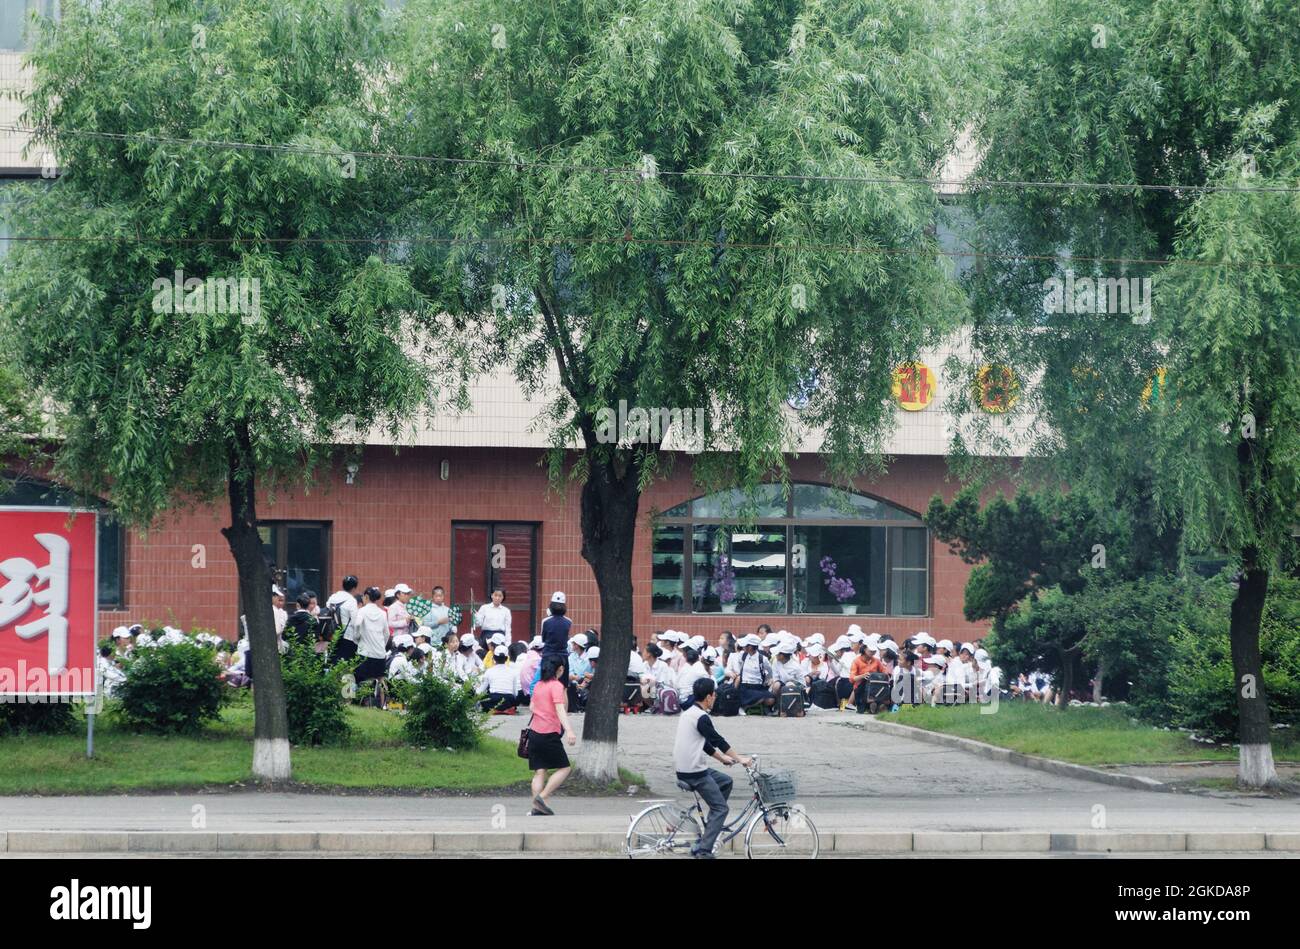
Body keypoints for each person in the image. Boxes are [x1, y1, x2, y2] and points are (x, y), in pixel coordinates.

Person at [673, 678, 752, 859]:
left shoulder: (689, 713)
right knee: (721, 809)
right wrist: (740, 759)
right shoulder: (701, 717)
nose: (715, 698)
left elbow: (704, 744)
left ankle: (712, 827)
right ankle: (703, 850)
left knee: (725, 781)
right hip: (694, 772)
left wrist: (722, 759)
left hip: (685, 768)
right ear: (708, 697)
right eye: (714, 695)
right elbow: (717, 740)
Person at [528, 657, 577, 815]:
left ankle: (537, 807)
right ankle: (543, 797)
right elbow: (560, 709)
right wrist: (569, 730)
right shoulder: (557, 686)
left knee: (540, 771)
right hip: (549, 733)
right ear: (560, 670)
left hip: (534, 732)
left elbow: (531, 707)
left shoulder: (538, 686)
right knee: (565, 767)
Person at [352, 587, 390, 691]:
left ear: (366, 597)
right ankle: (384, 703)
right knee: (381, 678)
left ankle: (353, 701)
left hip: (365, 652)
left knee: (356, 678)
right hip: (380, 653)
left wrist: (357, 638)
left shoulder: (362, 611)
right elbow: (386, 633)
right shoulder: (382, 613)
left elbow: (357, 624)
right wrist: (382, 645)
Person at [730, 634, 774, 711]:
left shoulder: (762, 659)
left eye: (745, 645)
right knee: (759, 697)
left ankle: (747, 705)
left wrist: (767, 680)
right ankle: (742, 707)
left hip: (758, 687)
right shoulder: (742, 656)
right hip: (745, 687)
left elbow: (770, 671)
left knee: (771, 699)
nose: (743, 647)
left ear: (750, 647)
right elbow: (739, 668)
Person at [539, 592, 572, 690]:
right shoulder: (569, 621)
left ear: (551, 605)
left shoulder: (545, 621)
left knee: (546, 685)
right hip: (563, 656)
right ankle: (564, 706)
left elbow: (543, 639)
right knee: (563, 688)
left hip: (548, 656)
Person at [480, 646, 522, 711]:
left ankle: (494, 709)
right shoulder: (513, 672)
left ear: (494, 658)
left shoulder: (489, 671)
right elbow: (515, 693)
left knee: (484, 700)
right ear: (506, 658)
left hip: (494, 699)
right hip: (508, 700)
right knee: (516, 699)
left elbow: (482, 690)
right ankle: (508, 708)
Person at [567, 633, 593, 710]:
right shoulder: (571, 656)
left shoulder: (589, 657)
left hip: (587, 684)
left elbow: (592, 674)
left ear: (577, 645)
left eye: (573, 643)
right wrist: (575, 682)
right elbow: (570, 672)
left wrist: (583, 682)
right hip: (573, 683)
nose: (572, 645)